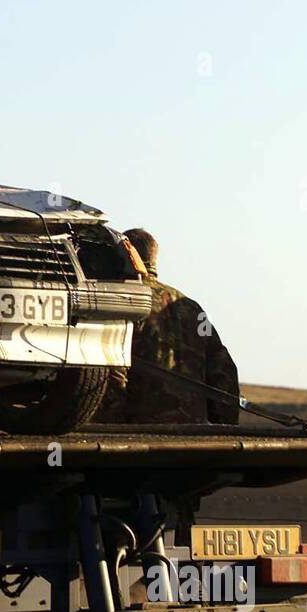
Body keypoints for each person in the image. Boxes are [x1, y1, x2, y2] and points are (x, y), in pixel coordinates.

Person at [95, 228, 239, 544]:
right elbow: (224, 371)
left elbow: (111, 374)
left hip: (138, 448)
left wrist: (105, 439)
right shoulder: (189, 306)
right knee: (180, 543)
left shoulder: (121, 303)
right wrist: (221, 433)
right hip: (191, 446)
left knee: (125, 537)